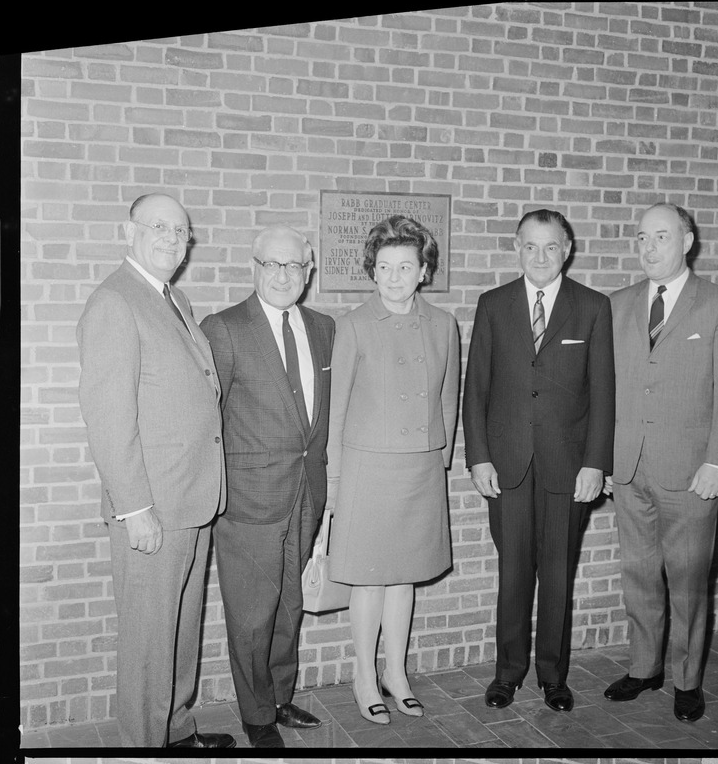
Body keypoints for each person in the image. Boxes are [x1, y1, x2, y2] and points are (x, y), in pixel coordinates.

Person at [76, 193, 235, 748]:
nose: (172, 239)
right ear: (130, 231)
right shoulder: (115, 302)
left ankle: (176, 729)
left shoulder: (172, 298)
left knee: (181, 629)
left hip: (191, 499)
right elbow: (108, 418)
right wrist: (134, 508)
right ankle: (143, 747)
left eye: (181, 231)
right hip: (153, 509)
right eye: (159, 227)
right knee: (148, 643)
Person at [602, 202, 718, 722]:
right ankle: (645, 668)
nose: (648, 248)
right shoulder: (615, 305)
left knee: (687, 579)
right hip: (628, 468)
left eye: (660, 237)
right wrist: (600, 460)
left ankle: (687, 679)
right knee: (638, 573)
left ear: (687, 241)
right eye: (641, 238)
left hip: (691, 472)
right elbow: (602, 392)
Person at [462, 208, 615, 713]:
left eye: (551, 246)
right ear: (516, 248)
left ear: (567, 249)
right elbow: (475, 389)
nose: (541, 256)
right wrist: (478, 458)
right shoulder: (494, 304)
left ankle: (553, 675)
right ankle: (507, 673)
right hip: (506, 464)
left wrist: (595, 463)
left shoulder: (592, 307)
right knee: (512, 575)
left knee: (557, 574)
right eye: (531, 246)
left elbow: (603, 394)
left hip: (566, 468)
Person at [199, 226, 335, 749]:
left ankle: (279, 696)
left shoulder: (323, 328)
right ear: (254, 268)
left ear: (308, 271)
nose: (284, 275)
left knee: (290, 605)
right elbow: (207, 419)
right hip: (248, 499)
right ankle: (256, 716)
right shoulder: (225, 328)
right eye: (273, 265)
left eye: (295, 266)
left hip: (307, 491)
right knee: (252, 614)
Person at [326, 215, 459, 725]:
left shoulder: (444, 324)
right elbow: (337, 409)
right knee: (368, 580)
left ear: (423, 271)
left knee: (405, 577)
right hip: (368, 468)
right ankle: (364, 675)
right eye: (385, 267)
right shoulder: (353, 324)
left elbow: (449, 396)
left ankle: (396, 673)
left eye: (406, 266)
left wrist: (440, 459)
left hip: (421, 469)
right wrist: (336, 480)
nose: (395, 276)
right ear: (372, 271)